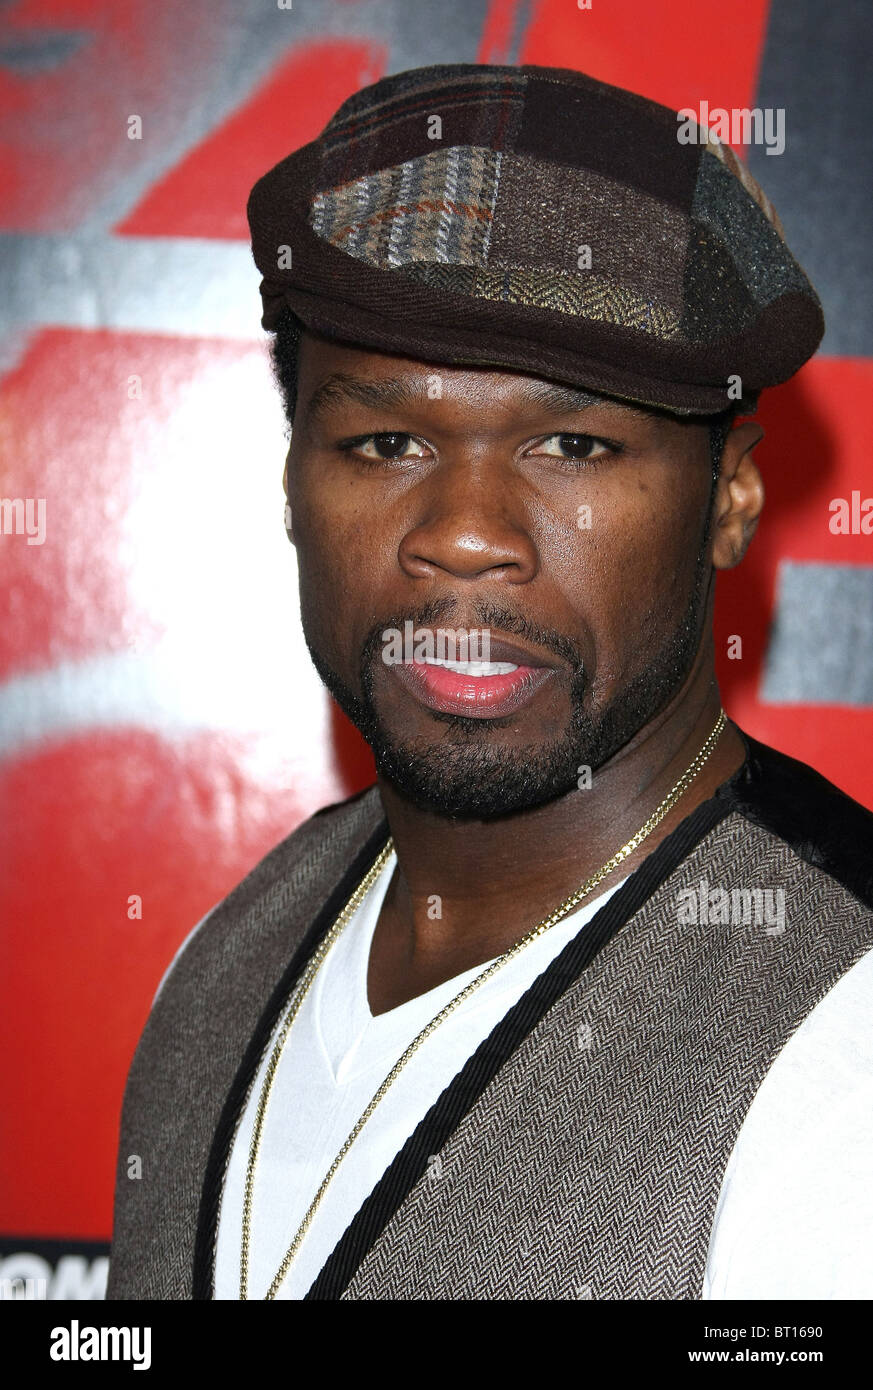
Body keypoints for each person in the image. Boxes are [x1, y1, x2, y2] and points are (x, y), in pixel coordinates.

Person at [107, 63, 873, 1301]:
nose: (465, 532)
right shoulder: (224, 955)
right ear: (294, 478)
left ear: (730, 494)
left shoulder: (843, 1052)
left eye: (572, 444)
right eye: (386, 442)